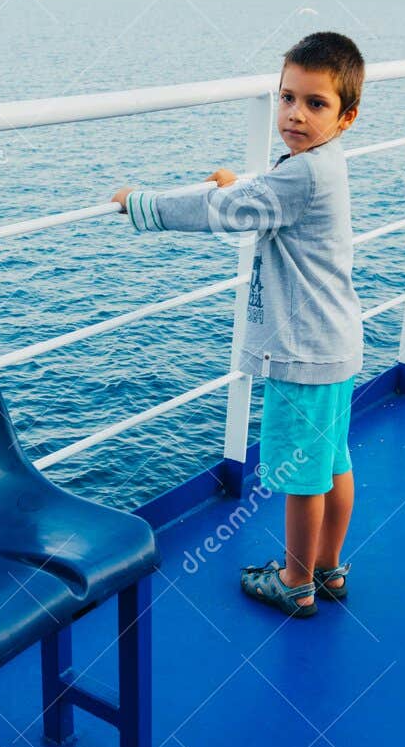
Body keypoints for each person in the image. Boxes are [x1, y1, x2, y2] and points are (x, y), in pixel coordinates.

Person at [112, 32, 365, 617]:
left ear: (347, 116)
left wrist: (140, 203)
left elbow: (217, 214)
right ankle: (328, 569)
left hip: (300, 352)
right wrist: (242, 187)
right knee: (334, 461)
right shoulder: (321, 165)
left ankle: (295, 583)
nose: (295, 114)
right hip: (335, 343)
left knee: (302, 476)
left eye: (315, 103)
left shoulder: (301, 177)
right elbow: (268, 200)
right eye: (287, 98)